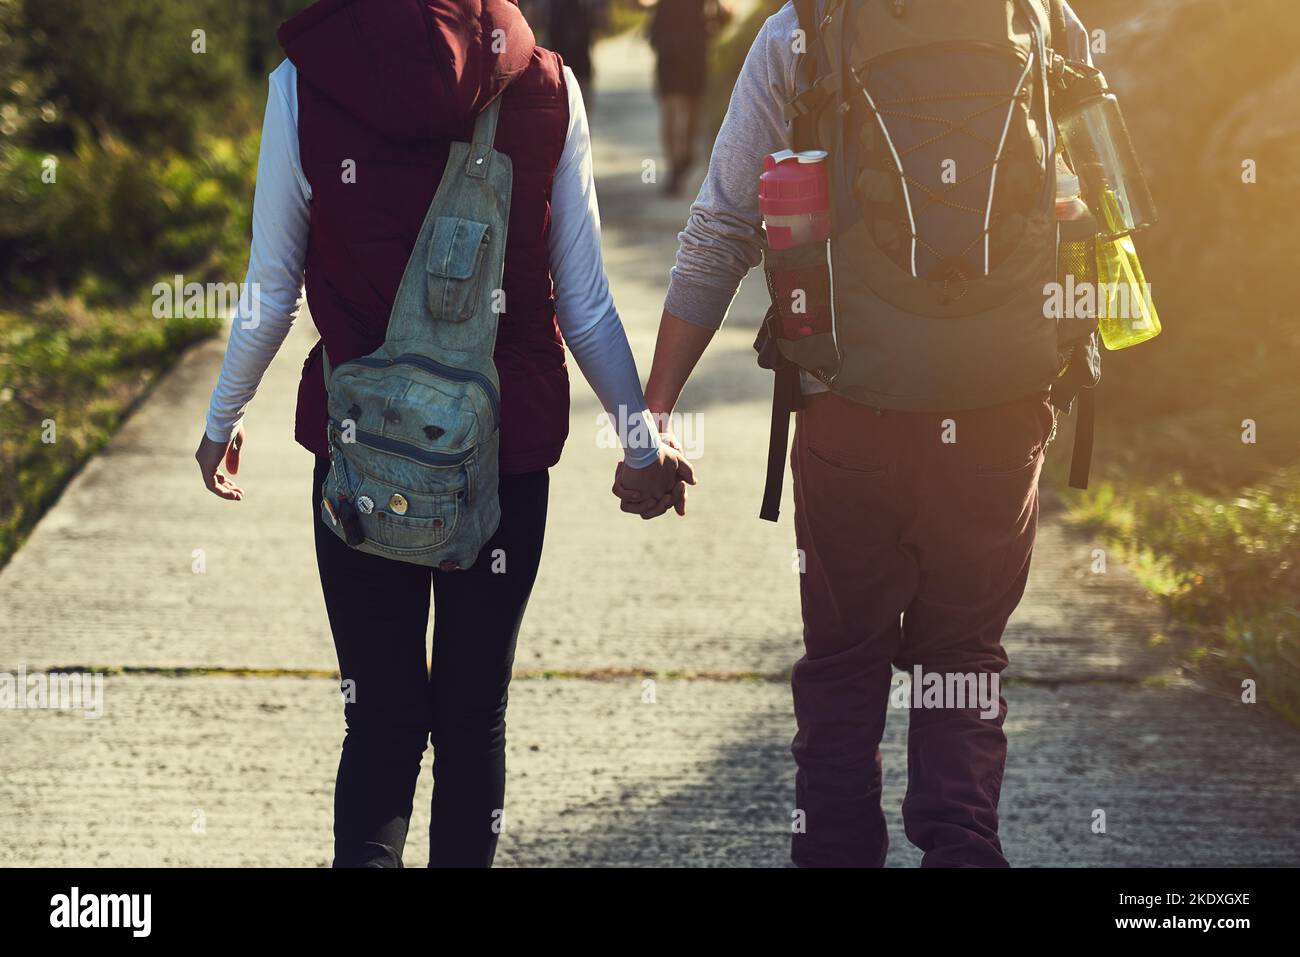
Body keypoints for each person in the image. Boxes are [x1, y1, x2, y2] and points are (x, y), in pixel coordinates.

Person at [194, 0, 692, 868]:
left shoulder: (305, 81)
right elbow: (583, 303)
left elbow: (270, 293)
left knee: (380, 721)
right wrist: (640, 445)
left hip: (360, 458)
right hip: (502, 457)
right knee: (472, 715)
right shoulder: (545, 85)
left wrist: (221, 420)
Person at [623, 0, 1094, 866]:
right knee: (964, 659)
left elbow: (724, 229)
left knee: (844, 661)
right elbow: (1099, 205)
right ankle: (963, 846)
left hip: (849, 409)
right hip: (999, 410)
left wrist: (653, 415)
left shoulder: (801, 30)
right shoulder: (1038, 16)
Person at [647, 0, 730, 196]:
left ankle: (676, 165)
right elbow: (724, 14)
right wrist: (713, 26)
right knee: (689, 109)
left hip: (669, 50)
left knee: (671, 110)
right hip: (693, 51)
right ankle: (683, 159)